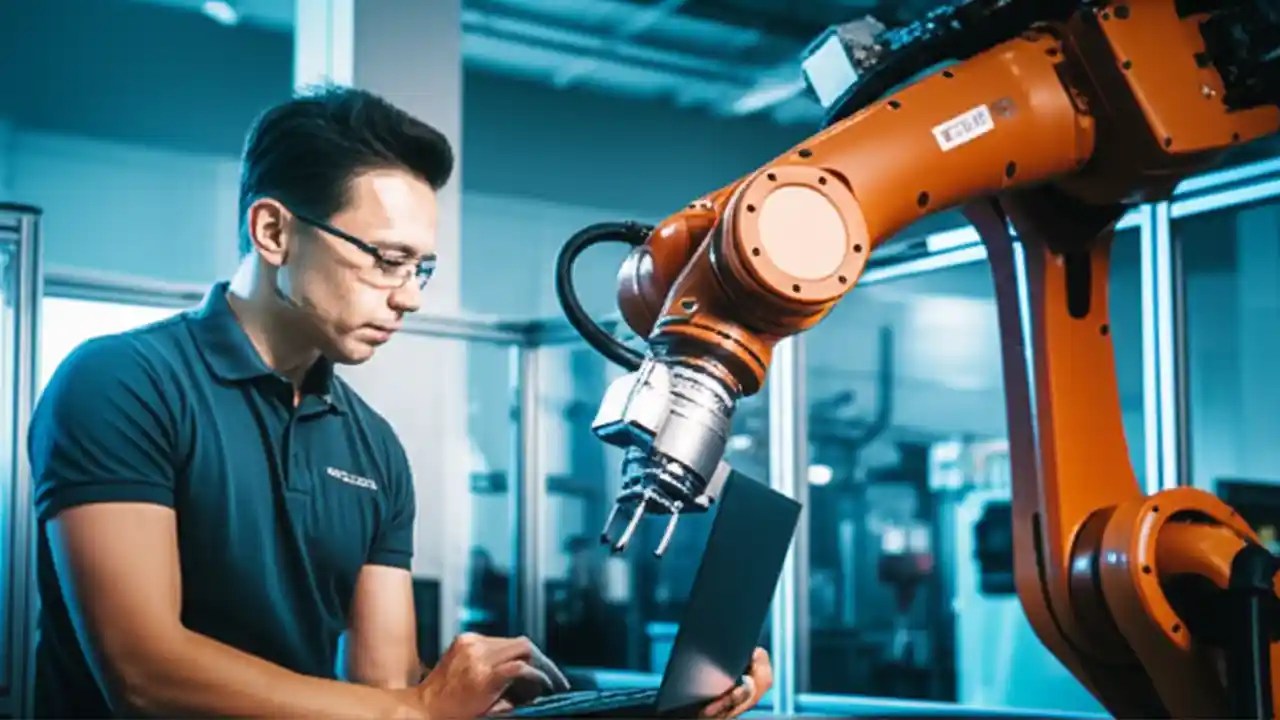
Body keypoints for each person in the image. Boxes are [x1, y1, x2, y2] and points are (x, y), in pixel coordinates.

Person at [26, 85, 773, 719]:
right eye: (387, 261)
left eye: (422, 266)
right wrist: (415, 708)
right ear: (273, 229)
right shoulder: (120, 383)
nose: (411, 296)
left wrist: (644, 707)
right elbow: (141, 671)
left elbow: (382, 688)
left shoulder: (372, 447)